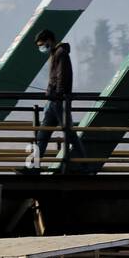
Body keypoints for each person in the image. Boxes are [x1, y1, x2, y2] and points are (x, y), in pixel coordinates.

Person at [19, 29, 89, 175]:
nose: (42, 47)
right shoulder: (55, 53)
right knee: (42, 135)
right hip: (52, 101)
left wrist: (57, 94)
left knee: (68, 134)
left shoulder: (60, 53)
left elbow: (62, 77)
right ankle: (34, 167)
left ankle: (84, 166)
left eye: (42, 44)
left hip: (58, 101)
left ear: (49, 40)